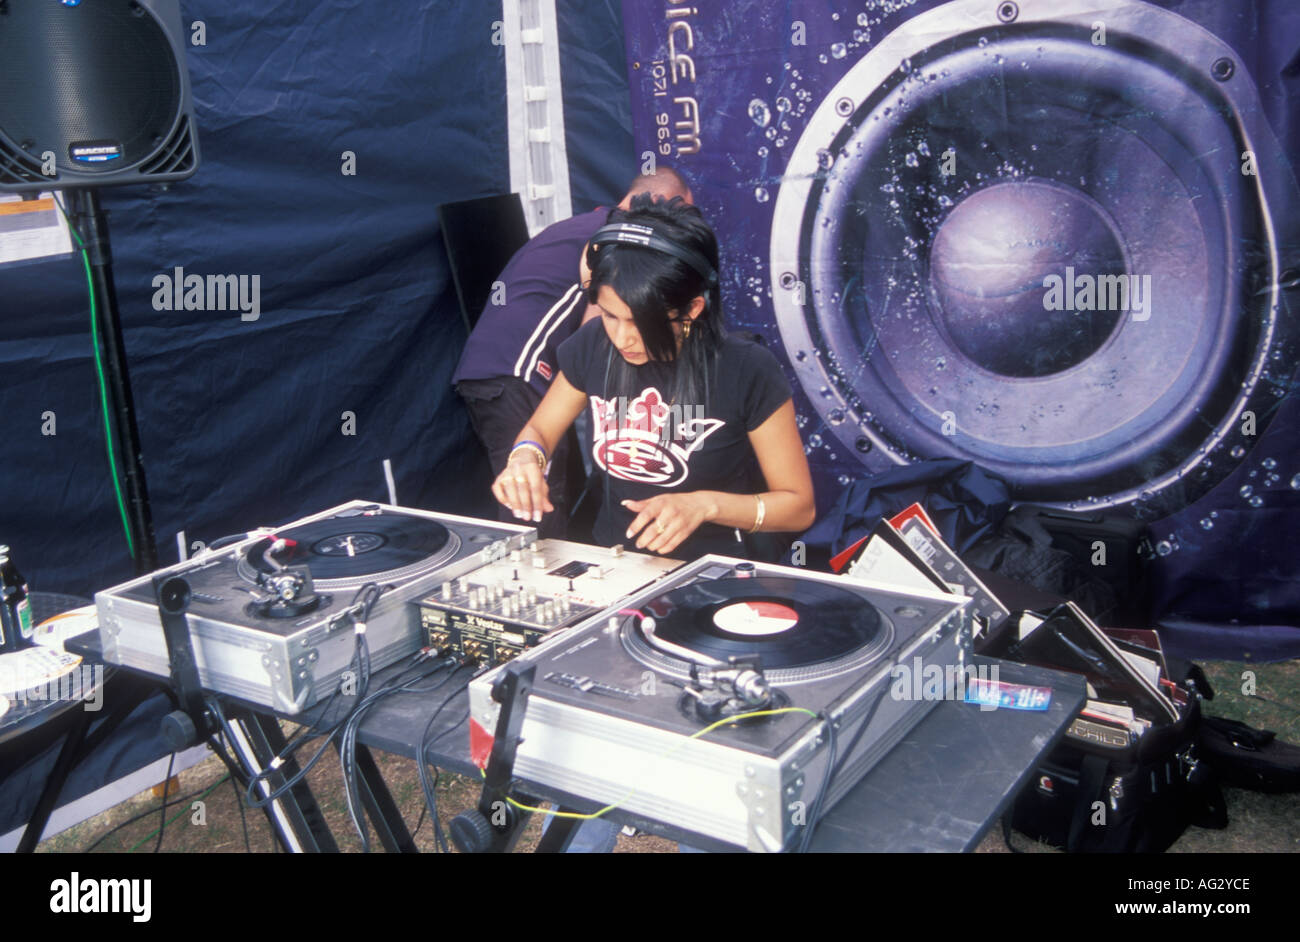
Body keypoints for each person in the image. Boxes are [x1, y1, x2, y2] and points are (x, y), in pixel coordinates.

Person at [492, 194, 815, 561]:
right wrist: (524, 459)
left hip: (713, 572)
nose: (622, 338)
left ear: (692, 308)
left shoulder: (747, 369)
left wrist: (704, 505)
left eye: (640, 323)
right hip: (615, 563)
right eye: (610, 316)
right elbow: (540, 431)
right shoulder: (592, 345)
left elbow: (798, 507)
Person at [454, 169, 694, 538]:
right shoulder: (611, 238)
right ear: (654, 204)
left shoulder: (585, 225)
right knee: (533, 501)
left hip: (495, 366)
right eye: (677, 215)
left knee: (540, 492)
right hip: (519, 372)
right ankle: (538, 587)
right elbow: (594, 336)